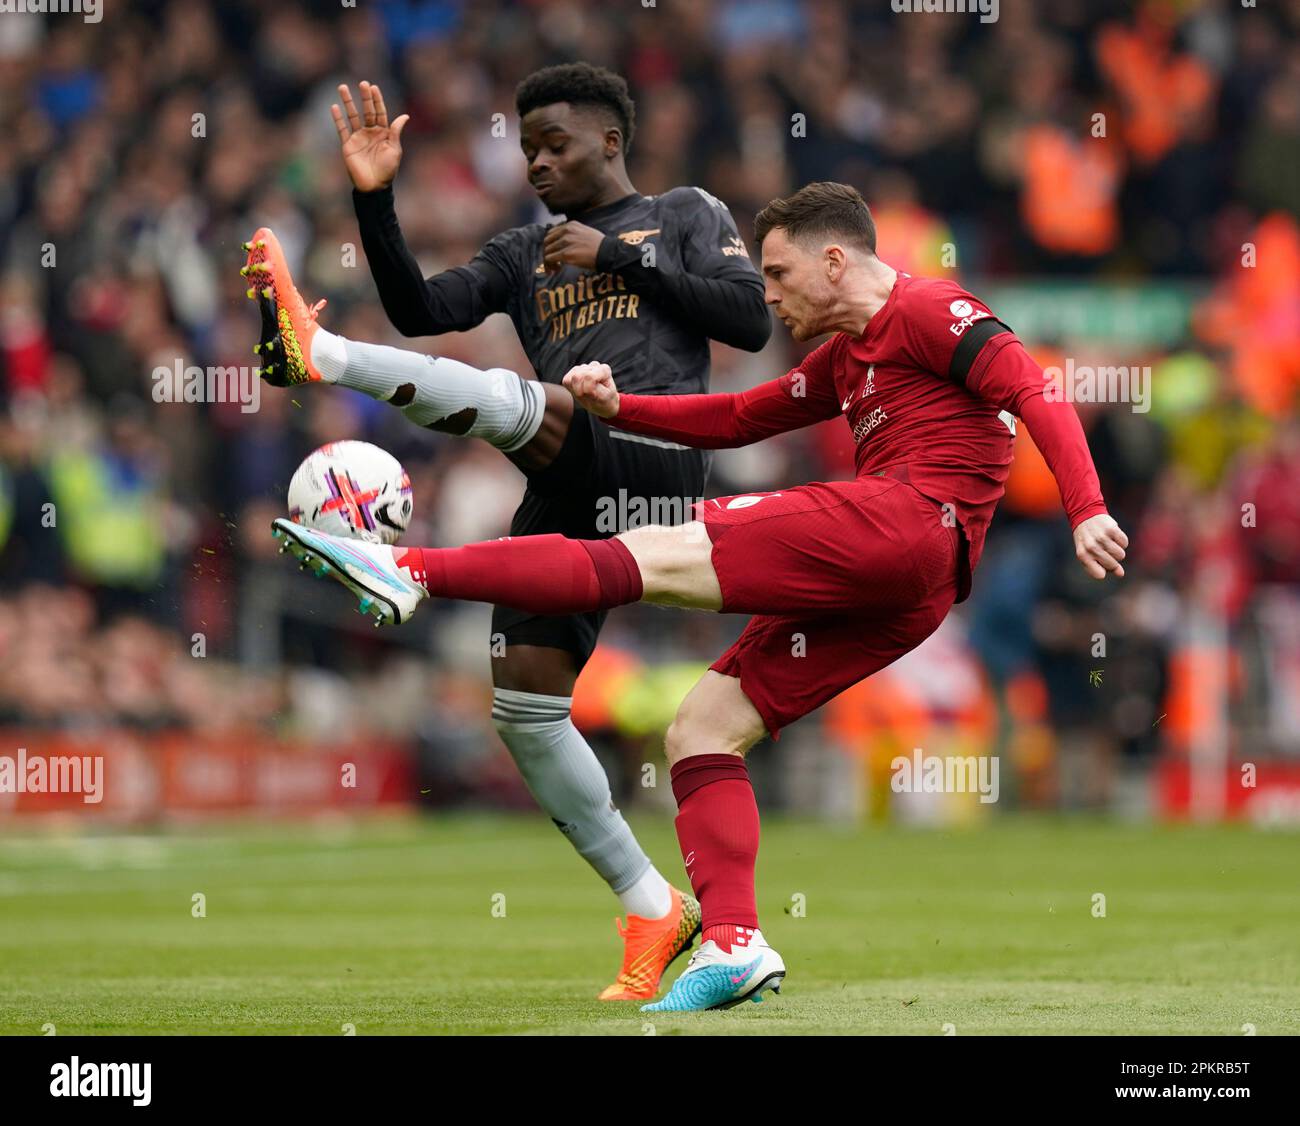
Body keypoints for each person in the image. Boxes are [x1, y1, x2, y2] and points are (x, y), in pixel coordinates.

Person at [265, 181, 1130, 1012]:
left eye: (780, 275)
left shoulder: (931, 309)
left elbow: (1035, 390)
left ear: (837, 261)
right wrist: (616, 406)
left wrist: (1085, 508)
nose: (769, 297)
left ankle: (408, 572)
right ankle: (734, 941)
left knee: (636, 553)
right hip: (913, 587)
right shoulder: (846, 357)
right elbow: (741, 417)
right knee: (701, 729)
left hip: (905, 524)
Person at [242, 63, 770, 1002]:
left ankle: (317, 354)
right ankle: (654, 907)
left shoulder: (685, 211)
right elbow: (419, 309)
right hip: (570, 490)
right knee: (524, 711)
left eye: (555, 144)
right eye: (526, 147)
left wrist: (618, 260)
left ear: (611, 140)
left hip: (653, 455)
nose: (536, 163)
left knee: (521, 404)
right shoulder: (521, 251)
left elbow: (749, 318)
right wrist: (375, 197)